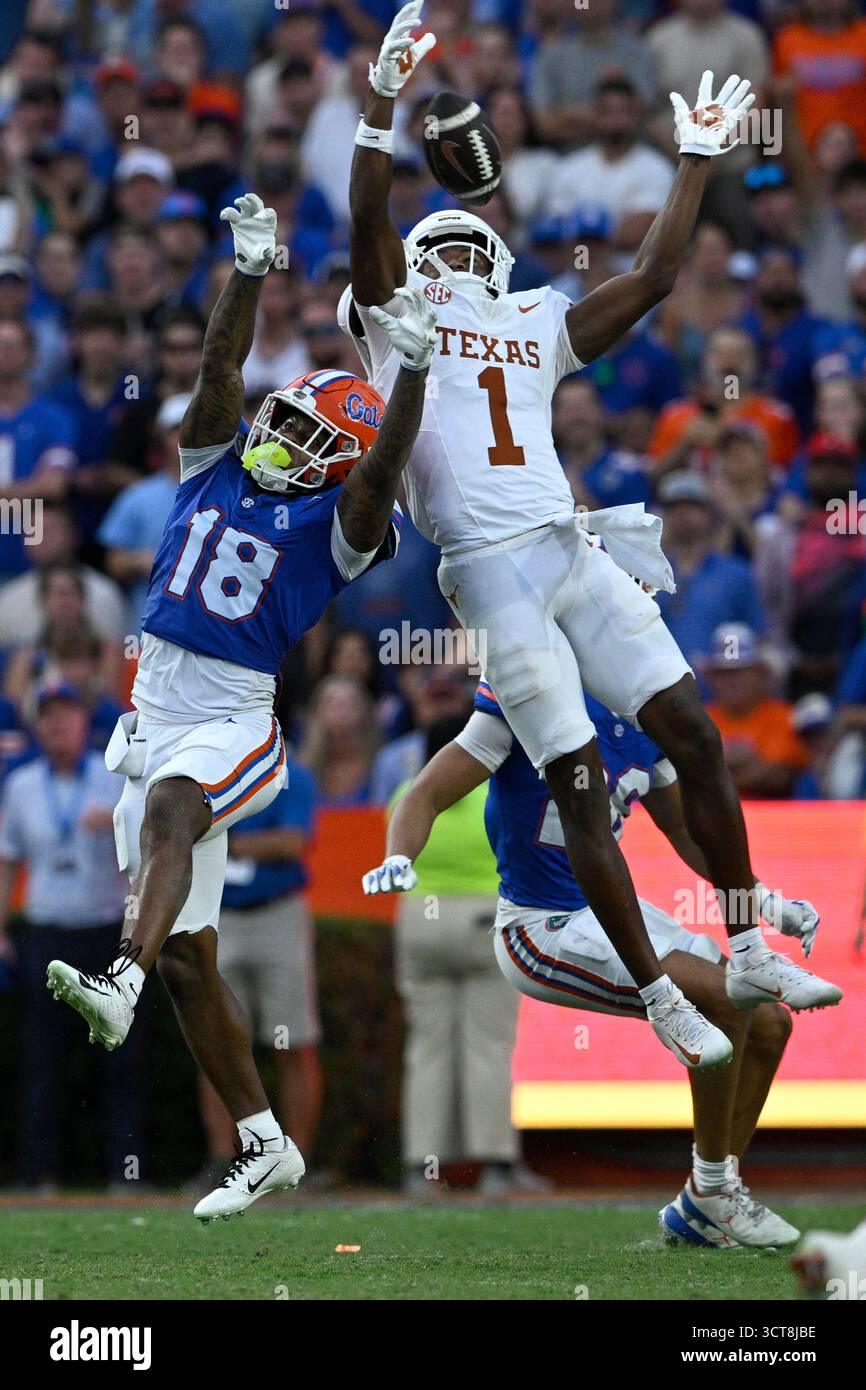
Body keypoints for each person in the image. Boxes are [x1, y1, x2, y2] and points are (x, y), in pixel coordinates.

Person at [342, 6, 837, 1077]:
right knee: (574, 781)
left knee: (689, 735)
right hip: (488, 574)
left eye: (474, 241)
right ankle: (658, 995)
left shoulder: (528, 319)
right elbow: (367, 219)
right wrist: (379, 103)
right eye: (447, 244)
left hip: (568, 552)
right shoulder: (394, 320)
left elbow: (655, 280)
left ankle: (746, 943)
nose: (462, 253)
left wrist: (696, 161)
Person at [45, 190, 439, 1222]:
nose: (280, 430)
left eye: (308, 429)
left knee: (176, 811)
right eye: (289, 413)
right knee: (192, 957)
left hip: (232, 714)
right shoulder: (213, 464)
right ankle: (265, 1144)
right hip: (154, 707)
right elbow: (220, 375)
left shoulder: (341, 526)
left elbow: (382, 472)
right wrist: (251, 270)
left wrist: (414, 379)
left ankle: (115, 983)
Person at [363, 681, 829, 1245]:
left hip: (607, 908)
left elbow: (690, 835)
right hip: (537, 925)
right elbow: (426, 792)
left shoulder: (645, 715)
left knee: (768, 1022)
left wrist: (760, 897)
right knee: (726, 998)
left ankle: (711, 1193)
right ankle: (712, 1196)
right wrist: (398, 853)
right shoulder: (527, 695)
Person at [0, 683, 145, 1192]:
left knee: (119, 1056)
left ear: (86, 725)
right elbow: (7, 861)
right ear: (38, 726)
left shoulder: (114, 782)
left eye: (68, 715)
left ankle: (125, 1172)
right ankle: (41, 1175)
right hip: (46, 932)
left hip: (104, 931)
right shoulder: (21, 785)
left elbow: (147, 846)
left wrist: (116, 822)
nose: (58, 724)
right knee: (44, 1058)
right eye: (50, 716)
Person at [198, 758, 322, 1177]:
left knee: (293, 1043)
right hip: (220, 915)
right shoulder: (206, 768)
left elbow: (293, 842)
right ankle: (224, 1160)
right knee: (217, 1048)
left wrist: (226, 841)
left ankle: (296, 1162)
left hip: (277, 913)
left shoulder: (291, 773)